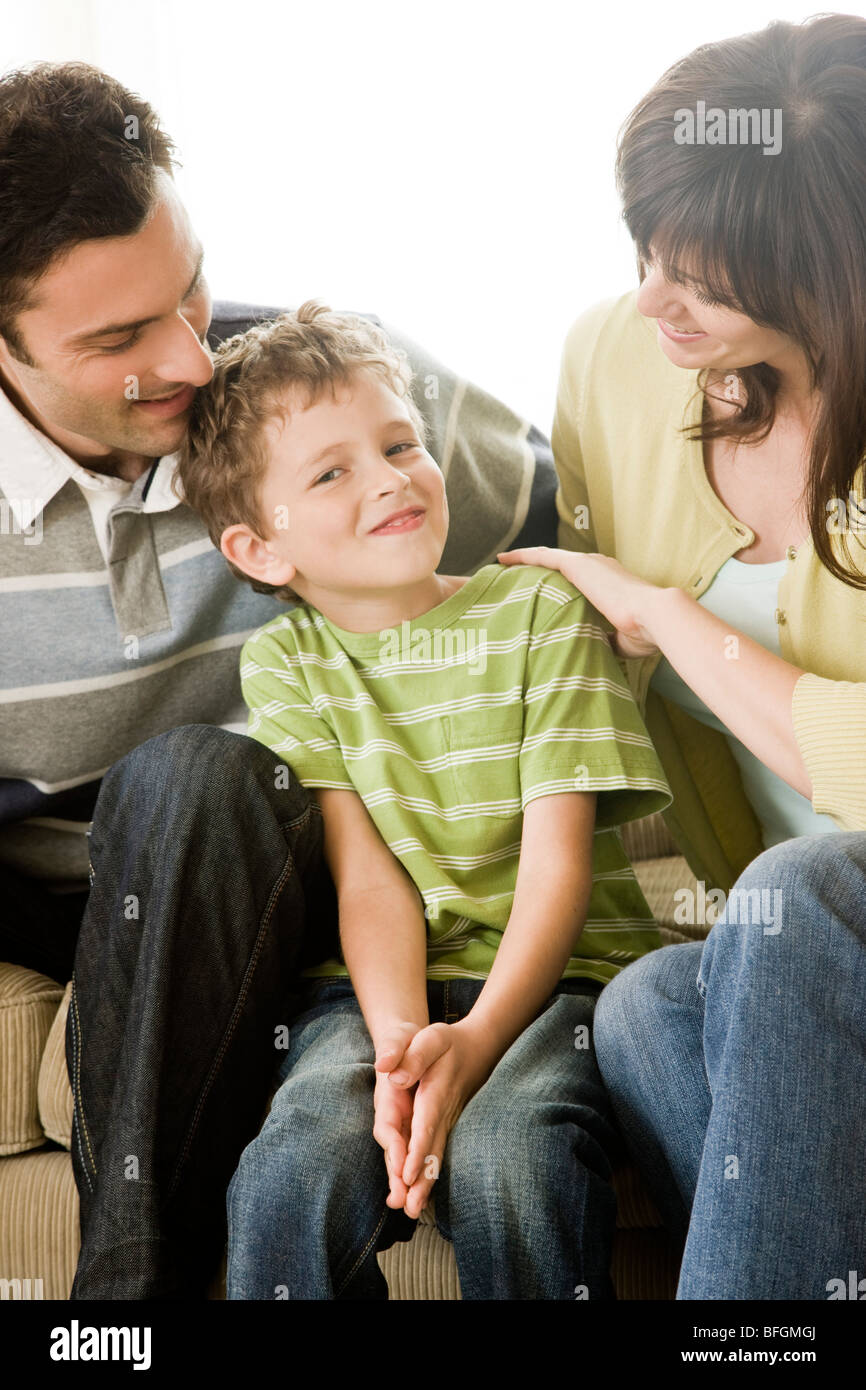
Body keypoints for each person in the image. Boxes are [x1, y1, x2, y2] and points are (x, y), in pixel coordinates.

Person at [0, 62, 557, 1298]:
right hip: (63, 885)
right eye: (119, 340)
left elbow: (567, 526)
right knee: (176, 790)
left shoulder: (302, 398)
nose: (192, 358)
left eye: (188, 290)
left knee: (201, 775)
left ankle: (123, 1311)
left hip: (296, 856)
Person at [175, 300, 673, 1299]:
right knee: (296, 1161)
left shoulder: (537, 609)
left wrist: (477, 1039)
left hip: (558, 980)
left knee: (506, 1159)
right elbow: (366, 880)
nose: (390, 477)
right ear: (261, 551)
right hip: (372, 994)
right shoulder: (288, 663)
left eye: (400, 443)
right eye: (332, 471)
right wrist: (404, 1058)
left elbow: (556, 864)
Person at [497, 13, 866, 1298]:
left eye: (697, 280)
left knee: (798, 895)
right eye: (643, 251)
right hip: (787, 954)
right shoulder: (615, 356)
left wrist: (662, 611)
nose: (650, 300)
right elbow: (588, 671)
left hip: (814, 916)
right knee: (652, 999)